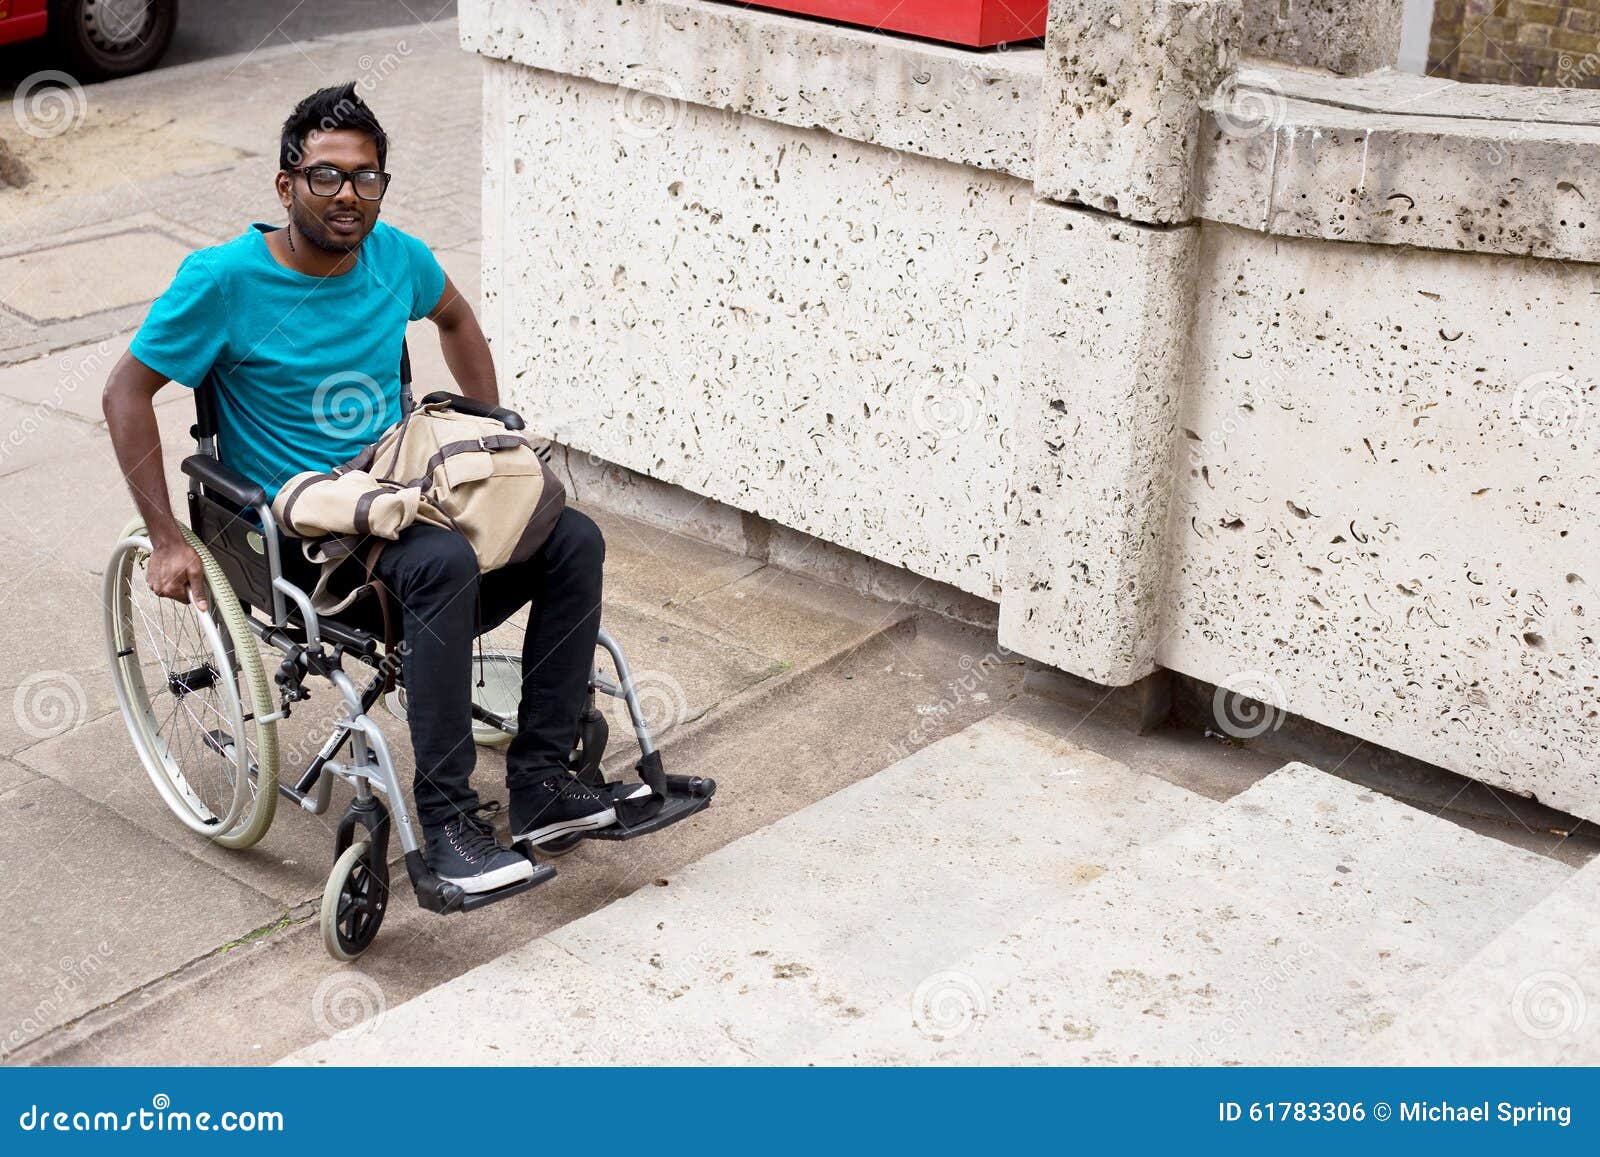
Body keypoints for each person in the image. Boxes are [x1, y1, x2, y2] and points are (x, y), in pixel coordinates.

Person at [102, 83, 625, 894]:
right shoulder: (222, 281)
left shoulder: (397, 258)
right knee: (442, 561)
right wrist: (170, 538)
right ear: (287, 186)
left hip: (407, 490)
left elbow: (456, 320)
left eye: (367, 176)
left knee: (572, 537)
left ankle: (543, 782)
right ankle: (448, 821)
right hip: (302, 537)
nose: (348, 194)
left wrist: (492, 436)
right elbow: (125, 393)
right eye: (326, 175)